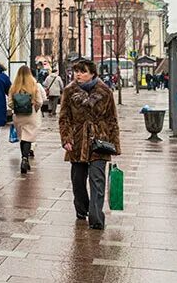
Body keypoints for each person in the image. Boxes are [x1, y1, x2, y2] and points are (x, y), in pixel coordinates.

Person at [58, 58, 120, 230]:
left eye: (83, 71)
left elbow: (112, 119)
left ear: (93, 73)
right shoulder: (69, 91)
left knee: (97, 180)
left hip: (99, 140)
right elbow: (64, 118)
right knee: (78, 181)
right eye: (76, 71)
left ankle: (96, 217)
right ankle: (81, 208)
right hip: (77, 140)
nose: (78, 74)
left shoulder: (105, 91)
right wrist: (66, 139)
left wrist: (114, 144)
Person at [9, 65, 47, 174]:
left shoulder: (14, 86)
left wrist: (16, 108)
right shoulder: (34, 85)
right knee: (28, 138)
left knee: (22, 138)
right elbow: (40, 101)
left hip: (19, 116)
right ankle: (25, 159)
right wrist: (35, 108)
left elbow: (10, 103)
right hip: (31, 116)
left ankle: (24, 158)